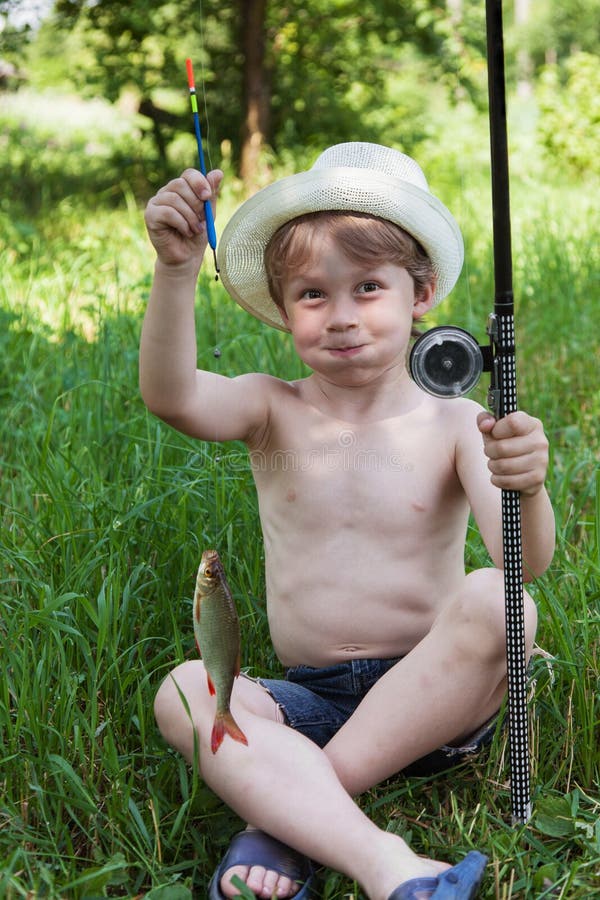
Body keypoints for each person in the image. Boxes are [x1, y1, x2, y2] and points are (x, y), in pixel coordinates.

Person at [141, 143, 554, 900]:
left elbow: (520, 562)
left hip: (435, 699)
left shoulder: (460, 419)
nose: (340, 318)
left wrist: (525, 484)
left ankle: (285, 818)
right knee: (182, 691)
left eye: (368, 287)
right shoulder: (272, 408)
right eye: (311, 294)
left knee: (502, 602)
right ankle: (385, 864)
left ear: (420, 290)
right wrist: (175, 272)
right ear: (281, 304)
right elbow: (172, 396)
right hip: (309, 699)